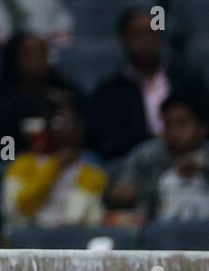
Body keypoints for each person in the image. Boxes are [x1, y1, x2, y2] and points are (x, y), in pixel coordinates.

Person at [87, 8, 209, 161]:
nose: (146, 40)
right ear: (123, 39)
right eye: (138, 33)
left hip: (189, 155)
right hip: (134, 162)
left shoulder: (187, 80)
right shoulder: (109, 91)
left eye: (152, 33)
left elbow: (204, 122)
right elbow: (107, 142)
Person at [0, 92, 107, 234]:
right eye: (59, 122)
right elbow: (15, 210)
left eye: (73, 121)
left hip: (71, 242)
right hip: (27, 240)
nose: (67, 127)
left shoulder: (93, 175)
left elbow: (93, 222)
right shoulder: (23, 165)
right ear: (47, 127)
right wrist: (54, 166)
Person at [0, 33, 78, 161]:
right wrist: (14, 159)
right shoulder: (0, 100)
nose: (37, 61)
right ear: (14, 59)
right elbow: (2, 147)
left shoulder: (65, 92)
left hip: (64, 161)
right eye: (29, 54)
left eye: (42, 53)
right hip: (17, 164)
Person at [107, 94, 209, 224]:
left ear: (202, 128)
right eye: (168, 125)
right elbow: (122, 189)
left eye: (182, 124)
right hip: (155, 232)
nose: (174, 133)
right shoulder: (146, 155)